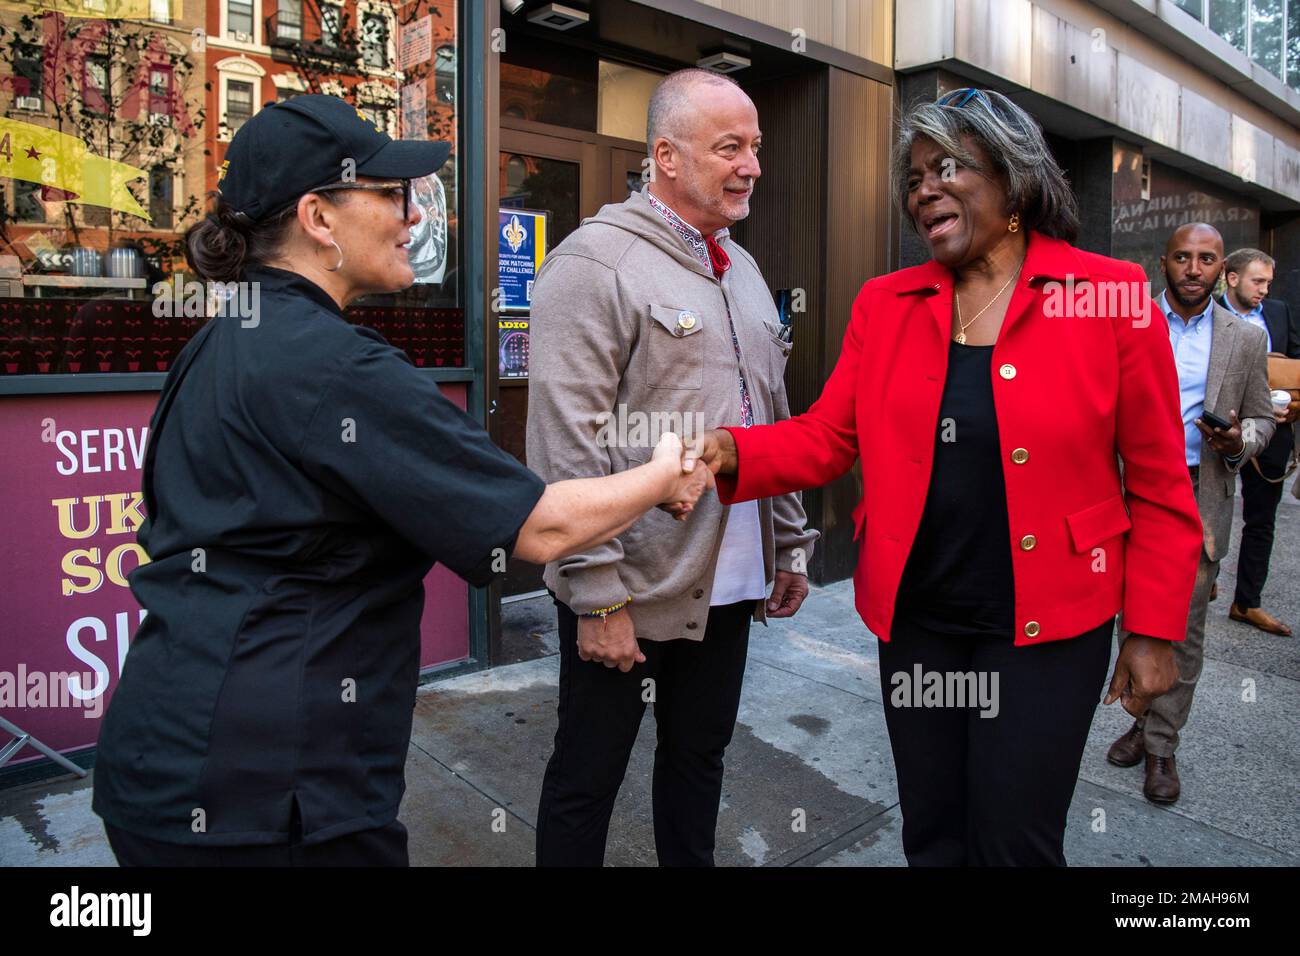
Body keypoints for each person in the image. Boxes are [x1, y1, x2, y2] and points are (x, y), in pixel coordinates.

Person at [91, 95, 710, 867]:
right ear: (318, 218)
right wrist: (659, 474)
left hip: (159, 766)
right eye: (389, 194)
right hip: (272, 795)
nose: (412, 216)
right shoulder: (335, 366)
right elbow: (542, 524)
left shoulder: (221, 339)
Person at [688, 88, 1203, 865]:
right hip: (921, 621)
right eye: (914, 175)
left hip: (1047, 631)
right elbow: (830, 437)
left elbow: (1163, 485)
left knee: (1014, 843)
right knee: (932, 833)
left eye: (947, 167)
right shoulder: (887, 302)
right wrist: (729, 451)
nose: (924, 188)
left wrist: (1154, 630)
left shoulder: (1109, 296)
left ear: (1014, 176)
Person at [526, 68, 818, 867]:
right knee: (588, 778)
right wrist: (595, 596)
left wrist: (787, 545)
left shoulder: (745, 271)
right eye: (730, 148)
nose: (752, 166)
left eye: (755, 148)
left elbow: (772, 415)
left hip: (727, 587)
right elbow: (565, 447)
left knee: (699, 763)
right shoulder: (595, 264)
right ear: (665, 156)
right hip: (629, 583)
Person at [1103, 224, 1274, 803]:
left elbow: (1262, 421)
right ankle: (1140, 713)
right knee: (1133, 618)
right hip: (1121, 489)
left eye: (1206, 259)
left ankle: (1161, 747)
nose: (1193, 268)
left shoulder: (1244, 339)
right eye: (1182, 257)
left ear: (1223, 269)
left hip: (1198, 494)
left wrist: (1237, 444)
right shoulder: (1127, 321)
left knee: (1182, 629)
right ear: (1163, 263)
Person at [1215, 248, 1299, 636]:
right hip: (1218, 430)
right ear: (1232, 278)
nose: (1265, 289)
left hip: (1273, 431)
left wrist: (1295, 403)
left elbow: (1297, 362)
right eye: (1257, 281)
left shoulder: (1279, 312)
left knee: (1261, 519)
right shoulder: (1206, 311)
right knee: (1210, 508)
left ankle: (1247, 602)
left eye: (1268, 282)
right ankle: (1205, 578)